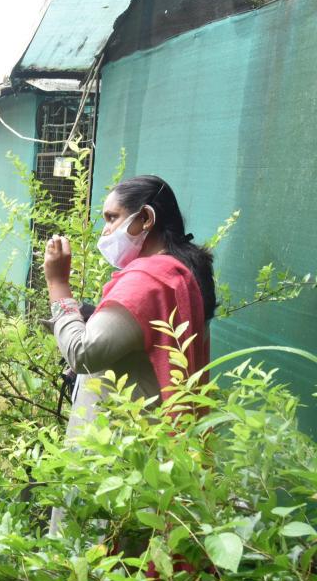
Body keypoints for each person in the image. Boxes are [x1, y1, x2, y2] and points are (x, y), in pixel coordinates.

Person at [44, 175, 214, 437]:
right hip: (152, 437)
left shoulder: (147, 279)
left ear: (145, 218)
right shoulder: (180, 274)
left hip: (118, 450)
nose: (105, 230)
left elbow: (82, 354)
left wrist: (57, 284)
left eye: (112, 217)